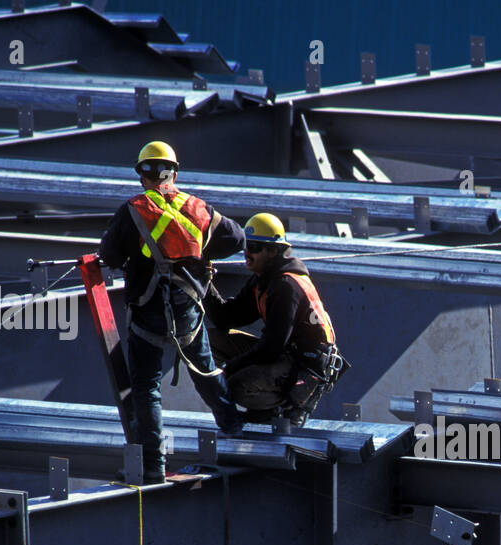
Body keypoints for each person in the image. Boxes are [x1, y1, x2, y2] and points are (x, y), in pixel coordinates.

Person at [98, 141, 246, 482]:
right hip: (188, 314)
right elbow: (237, 239)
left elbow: (110, 255)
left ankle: (153, 465)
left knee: (147, 387)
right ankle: (233, 427)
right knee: (206, 371)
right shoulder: (198, 208)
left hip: (146, 315)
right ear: (174, 173)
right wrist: (201, 250)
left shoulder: (134, 210)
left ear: (142, 175)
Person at [205, 212, 345, 424]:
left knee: (237, 385)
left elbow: (272, 347)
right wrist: (203, 280)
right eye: (246, 246)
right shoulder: (263, 281)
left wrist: (230, 367)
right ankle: (268, 405)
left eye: (254, 248)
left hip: (303, 365)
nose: (247, 253)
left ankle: (280, 408)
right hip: (285, 354)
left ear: (272, 251)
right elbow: (225, 318)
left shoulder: (286, 286)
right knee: (210, 340)